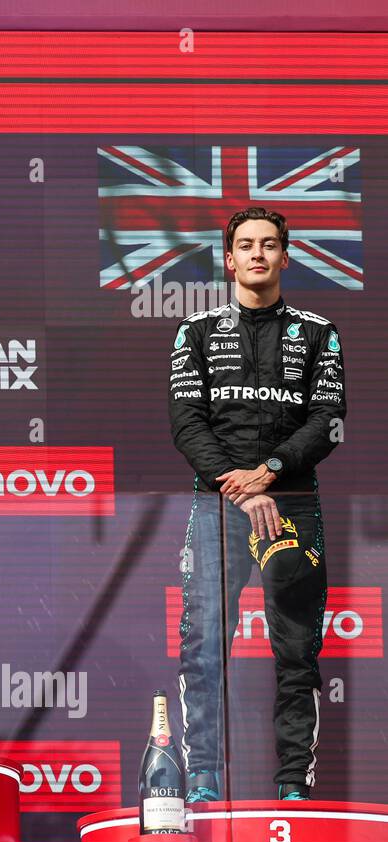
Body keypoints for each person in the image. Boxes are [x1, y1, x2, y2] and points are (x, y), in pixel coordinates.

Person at [169, 206, 345, 802]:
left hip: (293, 503)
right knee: (203, 646)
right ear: (228, 257)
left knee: (296, 649)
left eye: (269, 245)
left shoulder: (319, 332)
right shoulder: (194, 331)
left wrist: (266, 473)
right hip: (217, 508)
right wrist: (239, 489)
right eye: (246, 245)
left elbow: (328, 422)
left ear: (286, 256)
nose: (258, 255)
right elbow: (186, 425)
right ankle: (203, 778)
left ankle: (294, 783)